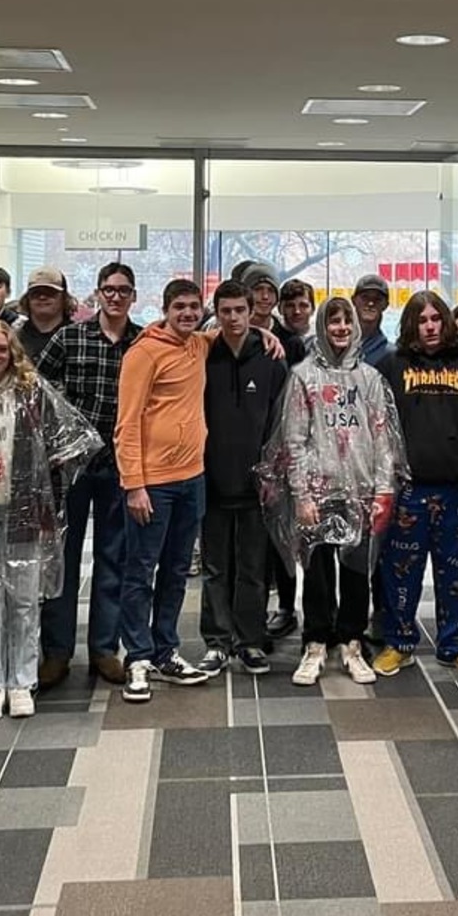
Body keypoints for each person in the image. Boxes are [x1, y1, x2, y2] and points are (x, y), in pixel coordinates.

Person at [115, 279, 282, 702]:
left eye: (193, 306)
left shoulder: (198, 345)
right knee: (141, 572)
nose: (188, 314)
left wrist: (264, 332)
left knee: (175, 572)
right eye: (180, 307)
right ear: (165, 310)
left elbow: (233, 330)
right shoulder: (143, 353)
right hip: (153, 484)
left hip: (193, 479)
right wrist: (134, 485)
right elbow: (126, 423)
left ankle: (165, 651)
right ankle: (138, 658)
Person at [0, 319, 101, 720]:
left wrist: (49, 504)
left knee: (24, 599)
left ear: (13, 353)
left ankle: (22, 681)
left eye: (1, 349)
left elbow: (65, 445)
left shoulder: (31, 392)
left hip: (23, 507)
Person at [263, 296, 407, 686]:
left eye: (346, 321)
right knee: (317, 569)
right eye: (333, 321)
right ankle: (315, 642)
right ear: (322, 327)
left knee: (356, 572)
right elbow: (294, 440)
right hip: (317, 491)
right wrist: (302, 495)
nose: (341, 328)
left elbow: (383, 439)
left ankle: (351, 642)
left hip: (359, 491)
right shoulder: (303, 376)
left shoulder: (370, 378)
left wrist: (383, 491)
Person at [34, 261, 142, 688]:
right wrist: (58, 441)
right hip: (71, 468)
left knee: (114, 557)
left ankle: (104, 649)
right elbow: (36, 390)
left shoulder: (143, 342)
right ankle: (57, 652)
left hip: (121, 466)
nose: (115, 297)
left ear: (133, 297)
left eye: (123, 290)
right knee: (63, 557)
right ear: (97, 294)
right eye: (108, 290)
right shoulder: (70, 337)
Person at [374, 292, 458, 676]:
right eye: (422, 320)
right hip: (409, 489)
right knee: (400, 571)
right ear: (411, 324)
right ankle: (399, 642)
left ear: (446, 322)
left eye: (436, 318)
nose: (430, 326)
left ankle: (455, 643)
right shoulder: (391, 364)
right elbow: (378, 427)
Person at [199, 280, 288, 676]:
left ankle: (250, 640)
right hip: (210, 478)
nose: (233, 318)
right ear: (216, 313)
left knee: (253, 568)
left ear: (252, 313)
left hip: (257, 483)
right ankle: (217, 642)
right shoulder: (202, 354)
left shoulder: (272, 358)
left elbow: (282, 421)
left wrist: (274, 473)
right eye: (226, 311)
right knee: (215, 568)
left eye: (240, 310)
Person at [267, 279, 318, 637]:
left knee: (317, 538)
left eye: (303, 305)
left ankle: (319, 611)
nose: (297, 311)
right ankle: (286, 606)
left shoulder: (322, 342)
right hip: (279, 448)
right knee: (281, 535)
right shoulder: (275, 342)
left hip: (317, 451)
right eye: (290, 305)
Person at [242, 262, 306, 364]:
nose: (265, 296)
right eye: (258, 289)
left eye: (271, 290)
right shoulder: (231, 337)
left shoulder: (292, 344)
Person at [15, 267, 72, 364]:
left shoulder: (75, 337)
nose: (42, 297)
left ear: (64, 297)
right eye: (36, 293)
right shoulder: (14, 337)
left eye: (50, 292)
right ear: (27, 298)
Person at [350, 273, 394, 366]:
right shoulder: (337, 345)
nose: (370, 303)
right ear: (353, 300)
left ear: (385, 305)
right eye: (365, 297)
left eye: (377, 299)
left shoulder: (392, 355)